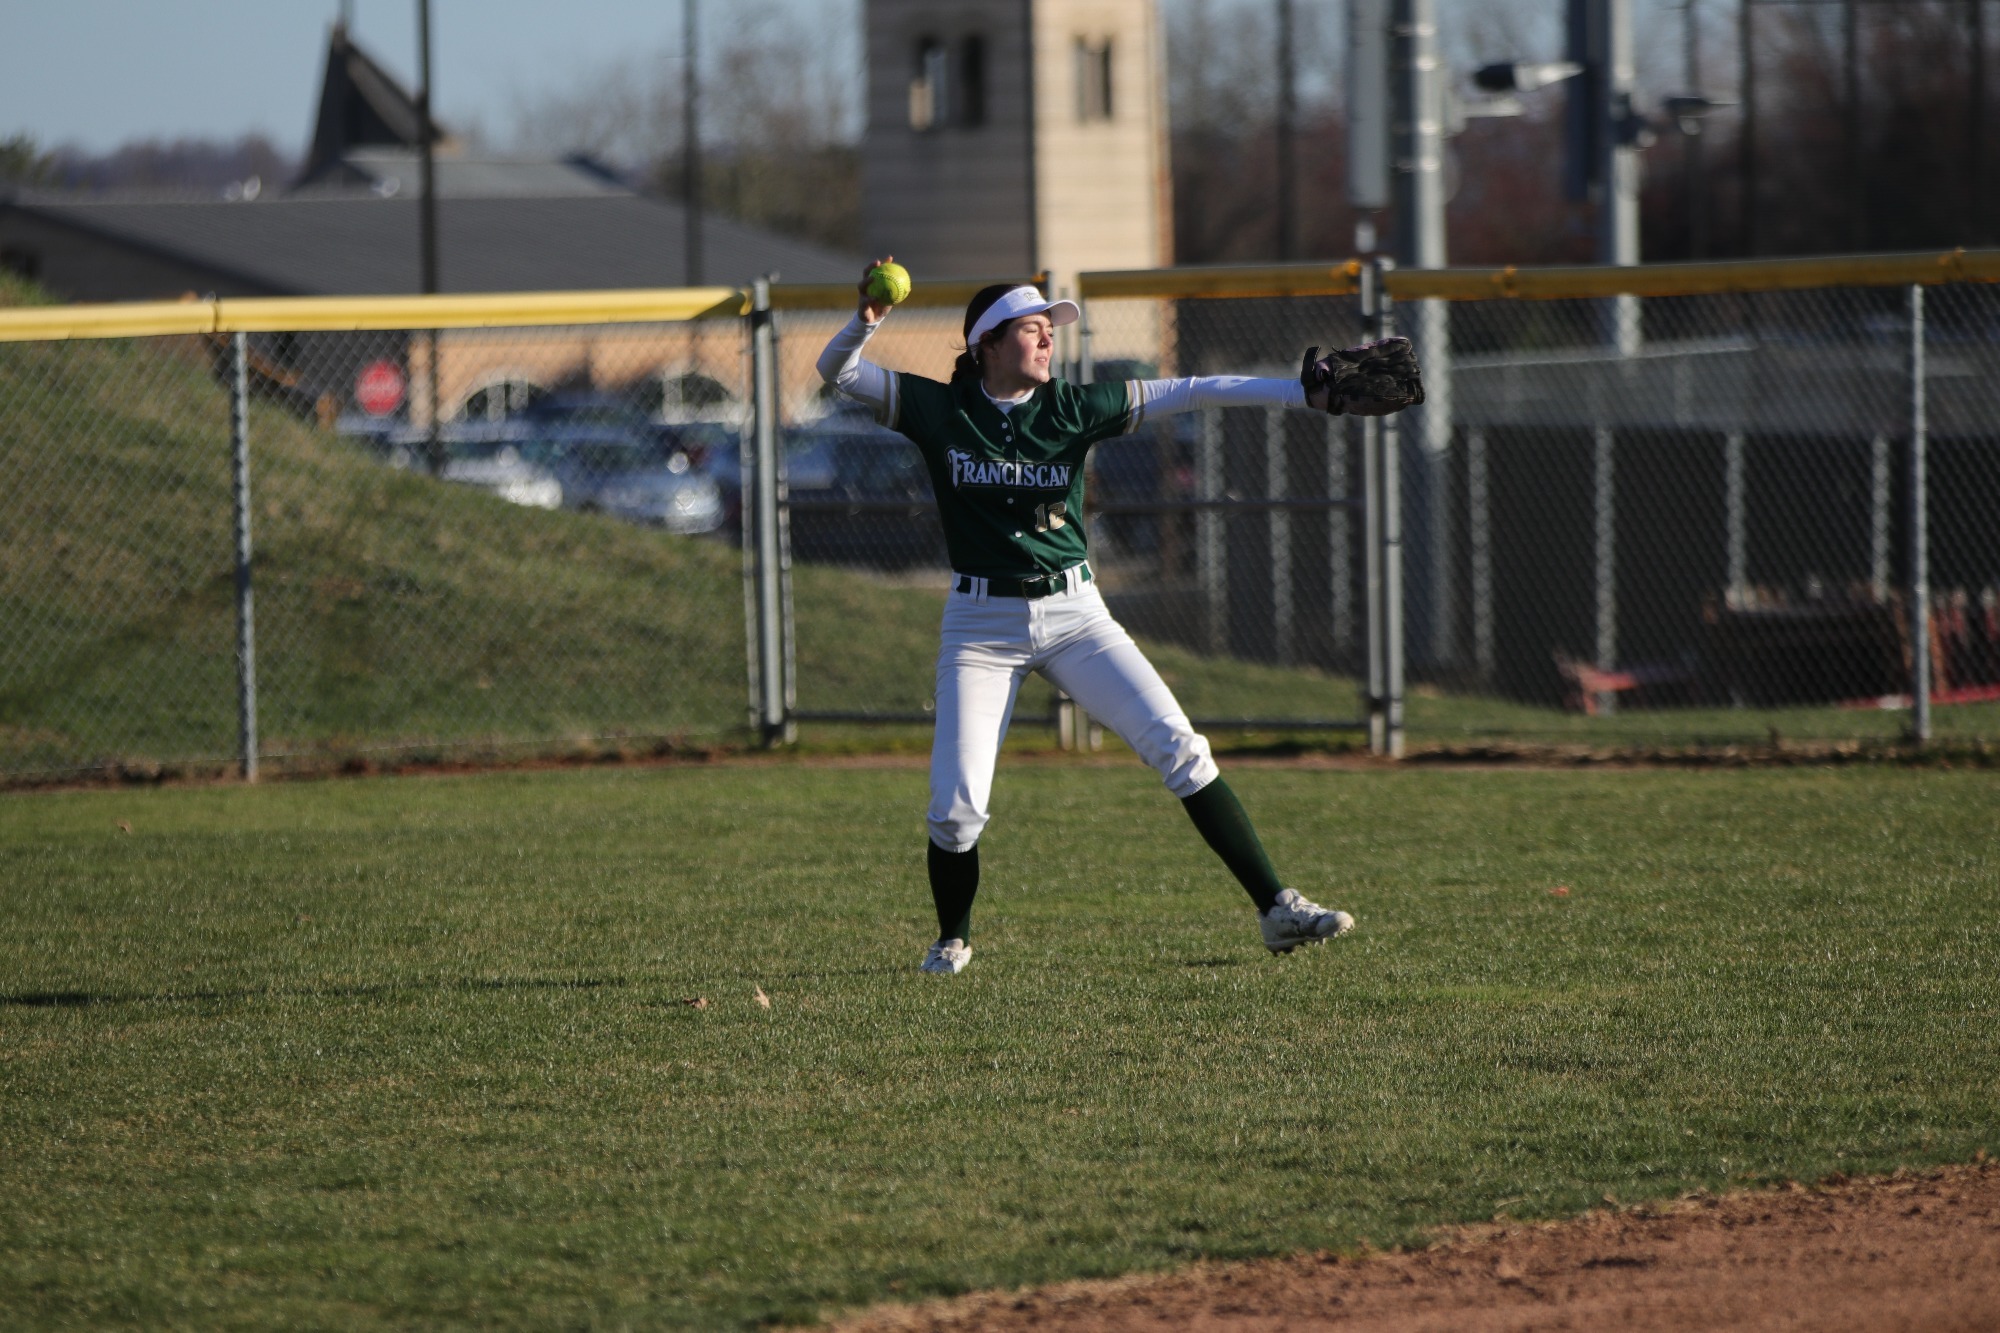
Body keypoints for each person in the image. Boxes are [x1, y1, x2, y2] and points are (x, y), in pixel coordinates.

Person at [816, 260, 1358, 974]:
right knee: (955, 808)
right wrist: (867, 321)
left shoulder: (1071, 407)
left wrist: (1299, 393)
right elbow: (837, 372)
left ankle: (1276, 909)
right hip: (980, 626)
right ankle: (952, 938)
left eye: (1051, 329)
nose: (1049, 340)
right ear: (987, 343)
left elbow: (1193, 389)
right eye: (1032, 329)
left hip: (1076, 615)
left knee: (1181, 747)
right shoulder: (940, 408)